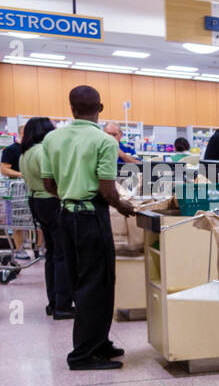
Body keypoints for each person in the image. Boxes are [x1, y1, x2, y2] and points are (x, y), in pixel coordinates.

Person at [41, 85, 137, 371]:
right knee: (98, 283)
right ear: (101, 108)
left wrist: (71, 195)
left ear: (71, 108)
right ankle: (82, 354)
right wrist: (125, 207)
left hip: (65, 217)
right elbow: (108, 191)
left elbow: (48, 184)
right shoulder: (105, 141)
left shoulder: (52, 138)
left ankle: (100, 343)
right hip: (91, 218)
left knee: (83, 282)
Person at [18, 117, 73, 319]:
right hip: (51, 201)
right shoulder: (43, 151)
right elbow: (54, 179)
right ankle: (63, 305)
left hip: (36, 202)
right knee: (62, 254)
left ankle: (53, 302)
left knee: (51, 254)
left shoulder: (26, 153)